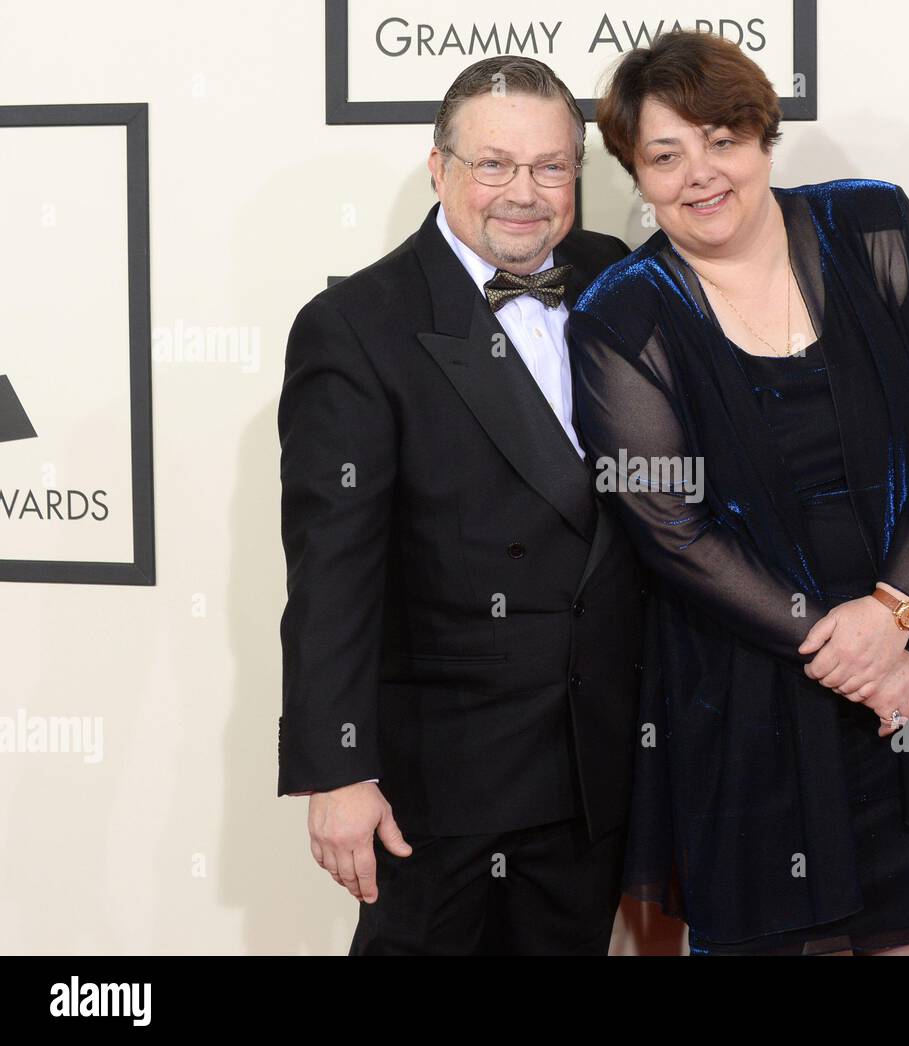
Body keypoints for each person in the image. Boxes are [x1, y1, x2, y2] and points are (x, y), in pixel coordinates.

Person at [568, 29, 909, 955]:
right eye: (665, 156)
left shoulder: (872, 226)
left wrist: (892, 616)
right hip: (750, 690)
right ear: (635, 171)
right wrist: (855, 651)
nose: (700, 174)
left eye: (722, 140)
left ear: (762, 138)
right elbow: (673, 528)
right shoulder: (621, 316)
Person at [275, 56, 647, 954]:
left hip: (595, 766)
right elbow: (332, 573)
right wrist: (338, 771)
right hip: (441, 785)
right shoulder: (357, 325)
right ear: (439, 169)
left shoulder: (615, 274)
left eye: (552, 166)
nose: (524, 193)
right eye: (494, 164)